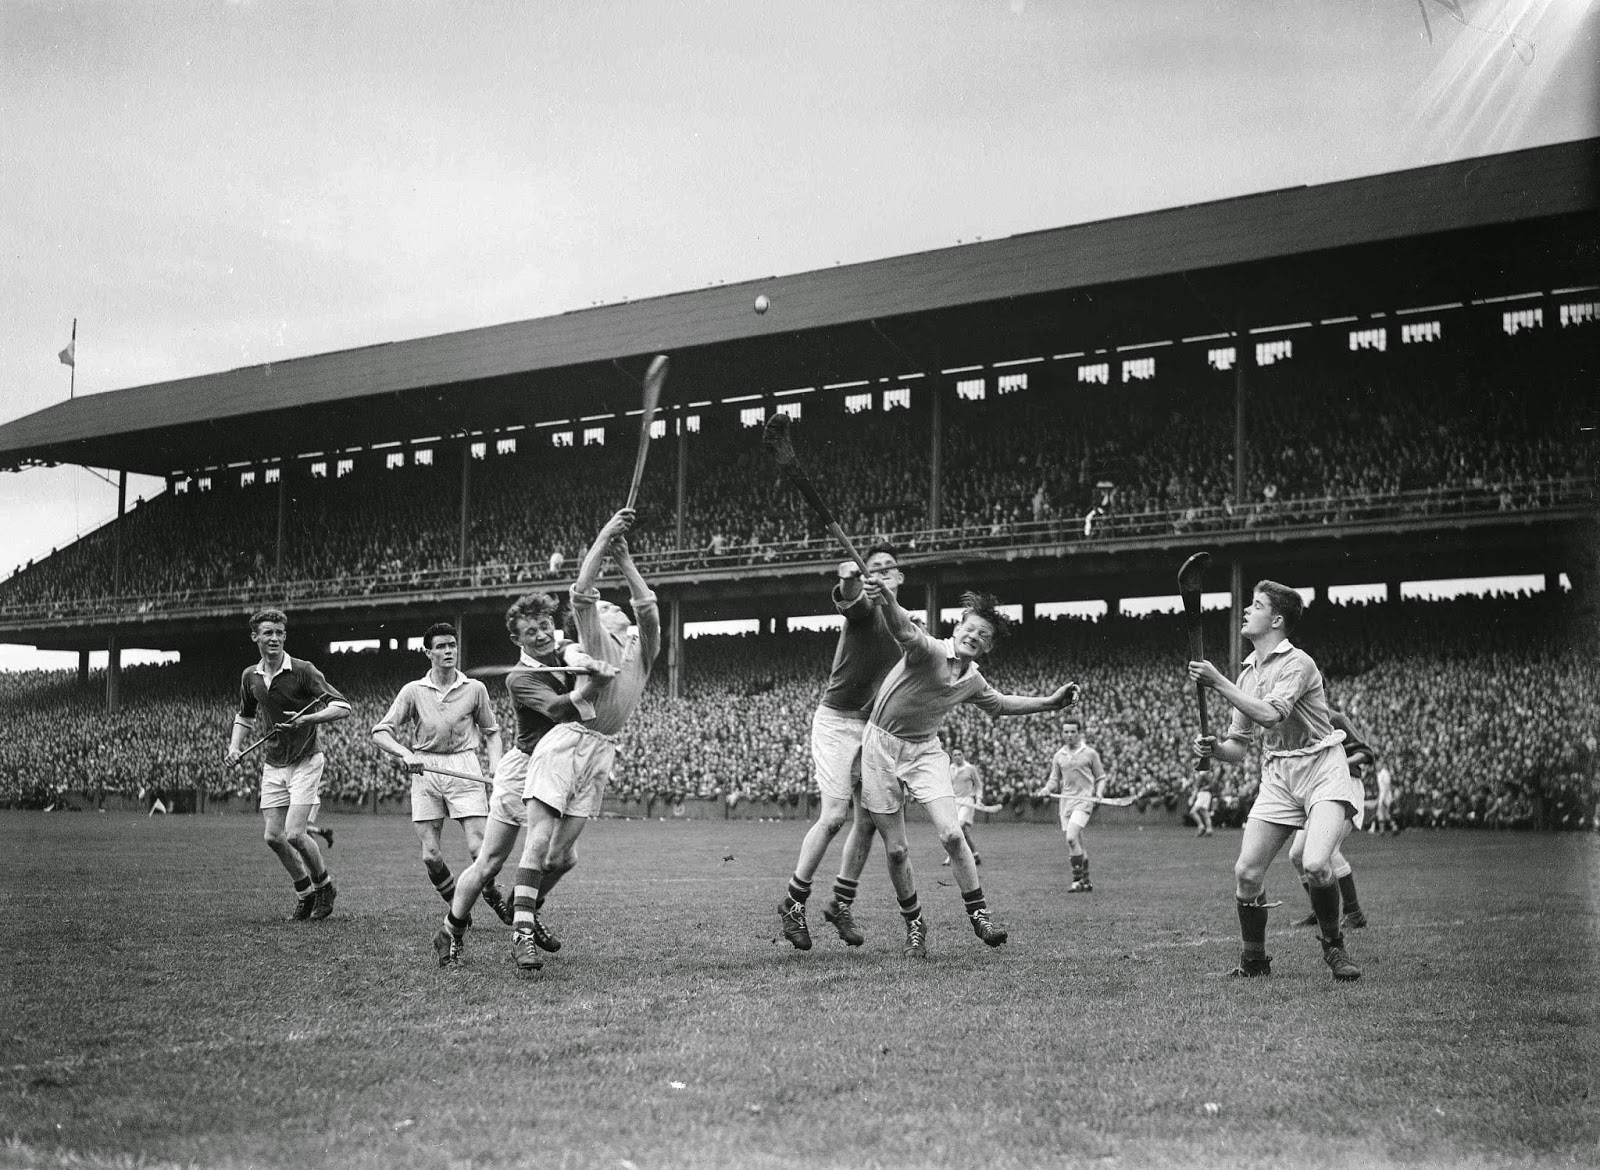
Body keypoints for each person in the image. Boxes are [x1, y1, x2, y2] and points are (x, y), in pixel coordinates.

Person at [857, 579, 1078, 955]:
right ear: (957, 628)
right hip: (880, 747)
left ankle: (980, 916)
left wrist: (1050, 703)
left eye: (983, 635)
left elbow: (1001, 704)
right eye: (970, 628)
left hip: (925, 752)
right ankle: (915, 925)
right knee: (896, 851)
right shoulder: (929, 651)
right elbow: (903, 630)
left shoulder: (973, 680)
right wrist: (888, 599)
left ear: (988, 647)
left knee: (952, 834)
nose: (974, 636)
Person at [508, 508, 660, 971]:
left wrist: (626, 560)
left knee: (562, 856)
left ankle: (525, 908)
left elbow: (648, 609)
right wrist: (604, 536)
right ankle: (521, 933)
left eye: (614, 606)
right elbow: (582, 592)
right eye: (606, 606)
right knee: (539, 839)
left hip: (601, 752)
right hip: (567, 743)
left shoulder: (643, 650)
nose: (611, 607)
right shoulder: (595, 640)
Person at [1189, 581, 1363, 982]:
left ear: (1277, 620)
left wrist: (1217, 681)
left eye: (1256, 605)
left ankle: (1334, 946)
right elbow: (1238, 747)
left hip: (1322, 767)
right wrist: (1215, 749)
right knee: (1247, 872)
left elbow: (1270, 715)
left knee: (1316, 864)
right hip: (1279, 773)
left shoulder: (1298, 663)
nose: (1247, 611)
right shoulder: (1247, 674)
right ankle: (1254, 961)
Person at [431, 594, 615, 968]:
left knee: (563, 858)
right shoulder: (519, 678)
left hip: (565, 764)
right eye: (531, 632)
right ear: (518, 640)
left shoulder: (563, 652)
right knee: (490, 862)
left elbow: (572, 647)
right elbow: (558, 709)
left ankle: (525, 906)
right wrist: (592, 685)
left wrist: (584, 660)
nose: (542, 635)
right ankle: (451, 930)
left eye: (545, 626)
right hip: (525, 769)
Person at [778, 547, 909, 952]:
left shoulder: (908, 624)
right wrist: (849, 576)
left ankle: (840, 903)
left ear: (900, 577)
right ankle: (793, 904)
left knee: (867, 821)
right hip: (837, 721)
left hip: (873, 728)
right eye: (875, 568)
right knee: (835, 816)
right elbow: (850, 598)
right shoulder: (866, 608)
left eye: (888, 568)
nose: (881, 573)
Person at [372, 622, 508, 926]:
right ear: (428, 653)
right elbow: (380, 732)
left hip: (464, 766)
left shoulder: (475, 689)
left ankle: (491, 892)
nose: (448, 651)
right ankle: (458, 907)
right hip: (425, 769)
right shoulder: (413, 691)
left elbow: (492, 732)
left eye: (452, 645)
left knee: (479, 848)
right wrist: (406, 754)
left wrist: (496, 768)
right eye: (441, 646)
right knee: (430, 856)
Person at [226, 608, 352, 921]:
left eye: (280, 633)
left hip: (306, 758)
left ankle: (324, 887)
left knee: (295, 834)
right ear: (255, 636)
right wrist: (234, 746)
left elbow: (342, 706)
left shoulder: (303, 670)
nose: (275, 638)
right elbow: (245, 716)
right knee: (273, 836)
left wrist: (307, 719)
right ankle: (305, 894)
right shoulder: (250, 676)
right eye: (268, 633)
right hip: (274, 762)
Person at [1290, 703, 1371, 930]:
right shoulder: (1301, 722)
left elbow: (1365, 753)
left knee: (1329, 851)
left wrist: (1339, 763)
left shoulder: (1335, 718)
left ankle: (1354, 912)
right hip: (1319, 791)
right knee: (1297, 855)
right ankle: (1320, 910)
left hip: (1345, 786)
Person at [1036, 716, 1109, 890]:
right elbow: (1054, 779)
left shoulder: (1090, 753)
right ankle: (1086, 881)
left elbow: (1101, 778)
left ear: (1079, 733)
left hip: (1084, 801)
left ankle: (1077, 881)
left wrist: (1099, 793)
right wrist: (1046, 789)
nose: (1069, 735)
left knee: (1070, 838)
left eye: (1073, 732)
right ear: (1062, 733)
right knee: (1077, 842)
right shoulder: (1059, 756)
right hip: (1066, 803)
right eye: (1066, 732)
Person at [946, 748, 997, 866]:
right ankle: (975, 855)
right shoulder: (950, 769)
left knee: (957, 828)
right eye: (955, 755)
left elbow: (978, 786)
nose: (957, 757)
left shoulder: (970, 768)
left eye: (959, 754)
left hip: (967, 801)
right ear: (952, 757)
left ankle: (953, 857)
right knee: (963, 832)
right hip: (954, 802)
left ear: (963, 755)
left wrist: (978, 799)